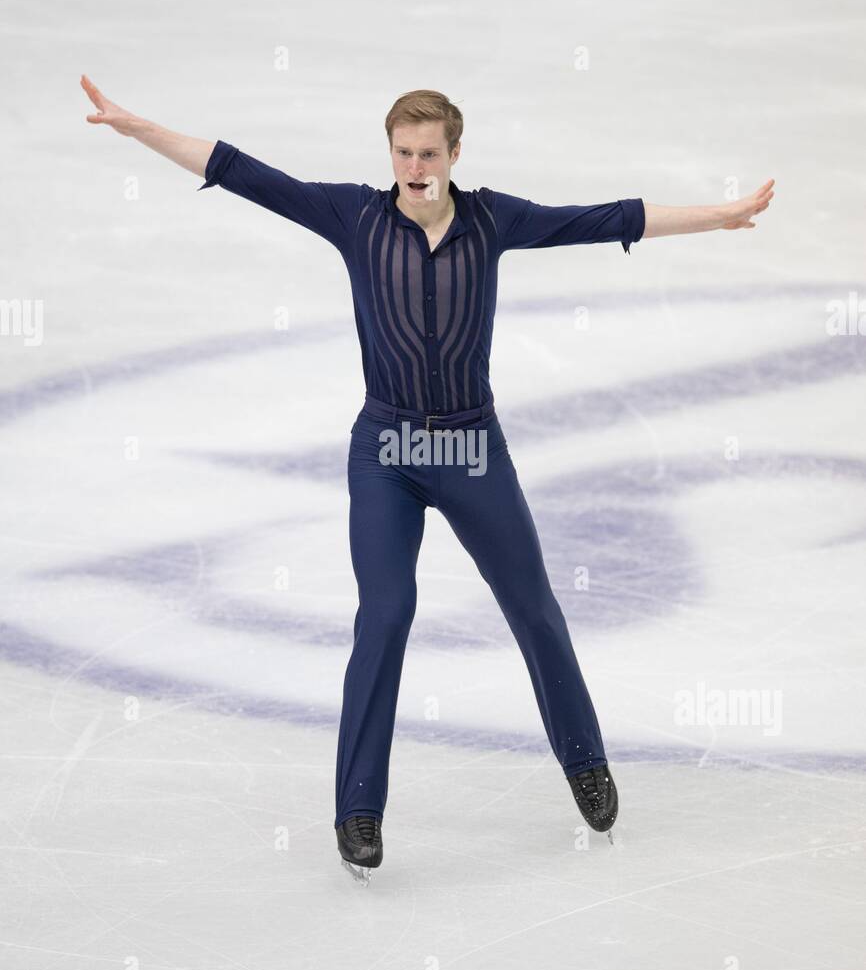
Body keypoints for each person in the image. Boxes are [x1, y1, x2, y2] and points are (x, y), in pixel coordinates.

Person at [80, 76, 774, 884]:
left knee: (534, 609)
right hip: (387, 452)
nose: (416, 166)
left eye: (430, 153)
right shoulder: (353, 216)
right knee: (386, 613)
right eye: (404, 152)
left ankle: (584, 761)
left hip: (473, 451)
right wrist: (142, 131)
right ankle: (358, 810)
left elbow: (608, 220)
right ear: (391, 154)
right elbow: (242, 171)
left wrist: (720, 217)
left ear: (453, 154)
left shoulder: (494, 219)